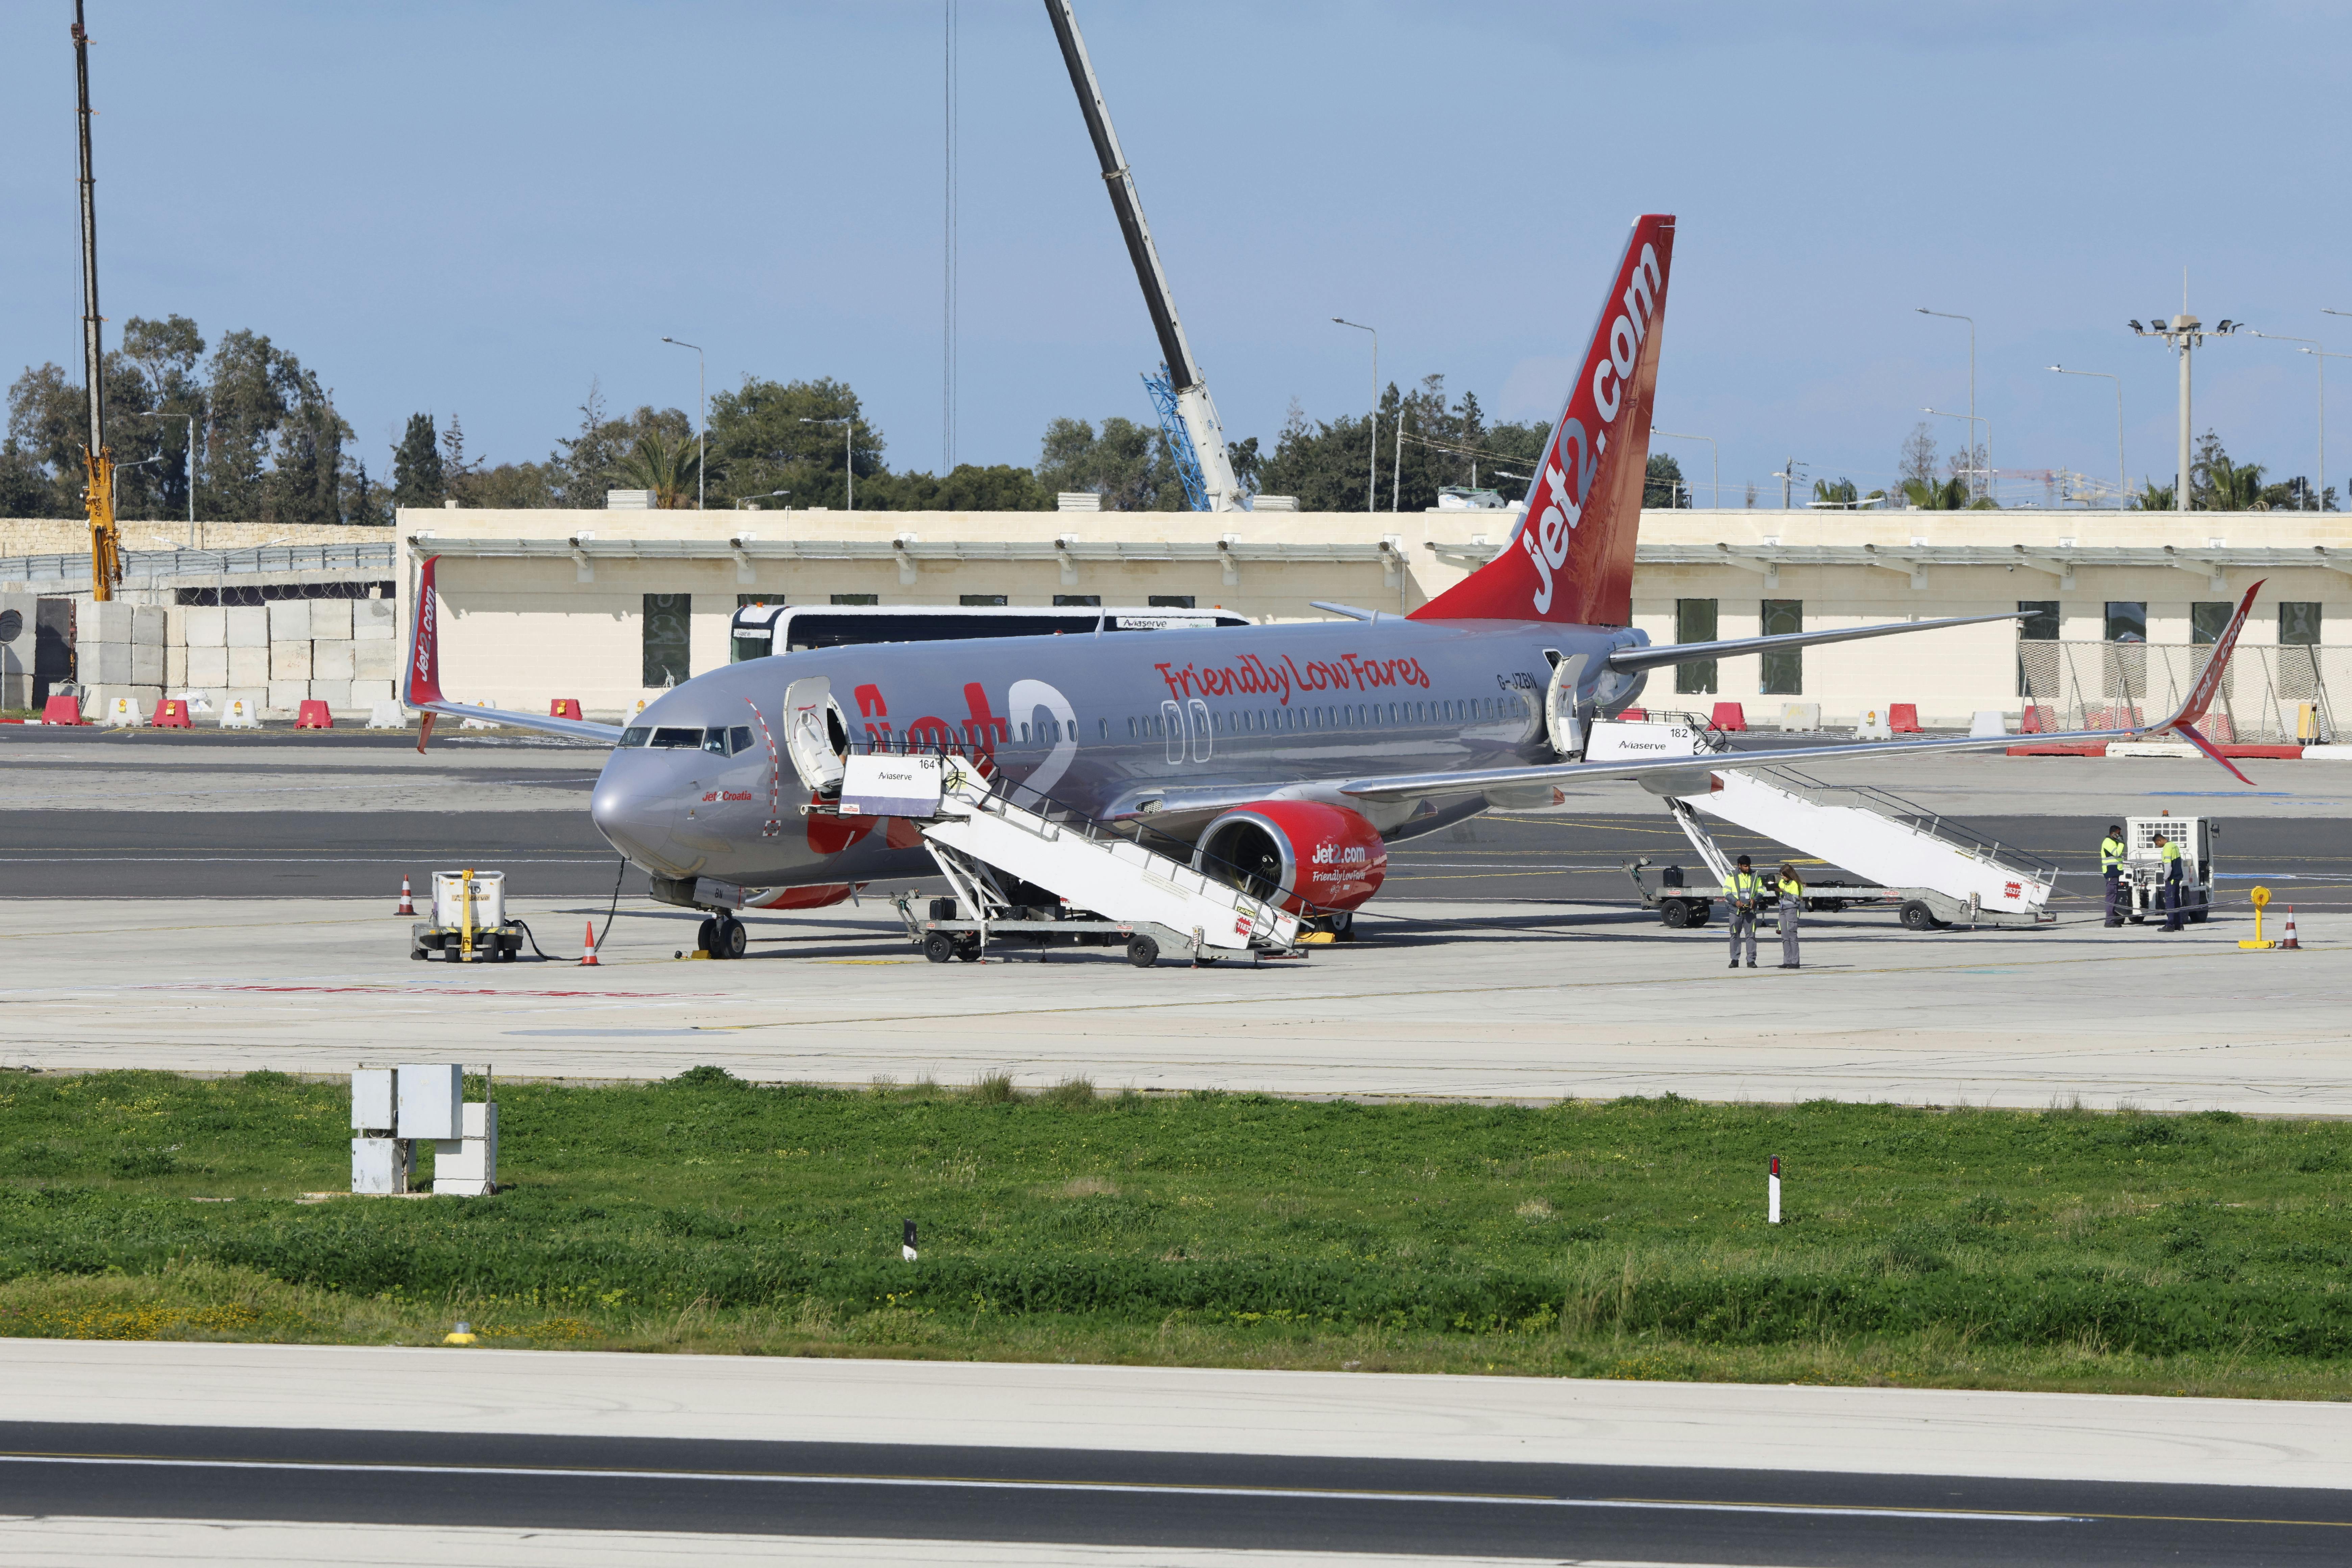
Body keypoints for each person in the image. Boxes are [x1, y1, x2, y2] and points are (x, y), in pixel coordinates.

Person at [1722, 854, 1764, 969]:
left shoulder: (1755, 877)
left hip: (1750, 912)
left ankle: (1751, 960)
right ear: (1739, 866)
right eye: (1745, 866)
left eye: (1749, 866)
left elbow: (1761, 891)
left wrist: (1755, 899)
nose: (1748, 868)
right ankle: (1735, 960)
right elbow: (1726, 892)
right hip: (1736, 911)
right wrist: (1736, 902)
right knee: (1735, 935)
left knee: (1751, 936)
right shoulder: (1731, 876)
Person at [1775, 862, 1804, 968]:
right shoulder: (1782, 882)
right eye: (1781, 876)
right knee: (1785, 937)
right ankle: (1787, 961)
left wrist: (1785, 892)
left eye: (1784, 876)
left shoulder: (1795, 884)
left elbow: (1795, 899)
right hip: (1783, 909)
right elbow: (1780, 897)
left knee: (1792, 937)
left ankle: (1795, 962)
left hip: (1792, 910)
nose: (1782, 878)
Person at [2099, 824, 2127, 927]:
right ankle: (2109, 921)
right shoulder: (2108, 842)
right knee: (2111, 896)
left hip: (2115, 872)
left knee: (2114, 896)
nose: (2120, 835)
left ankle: (2113, 917)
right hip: (2111, 872)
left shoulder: (2113, 842)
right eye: (2119, 834)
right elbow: (2117, 853)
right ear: (2113, 834)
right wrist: (2122, 843)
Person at [2157, 832, 2185, 931]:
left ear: (2159, 841)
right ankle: (2179, 925)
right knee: (2177, 901)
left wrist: (2166, 878)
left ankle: (2170, 925)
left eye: (2157, 844)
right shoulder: (2174, 846)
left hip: (2172, 879)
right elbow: (2180, 861)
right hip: (2178, 877)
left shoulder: (2167, 848)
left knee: (2170, 901)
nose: (2158, 846)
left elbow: (2168, 866)